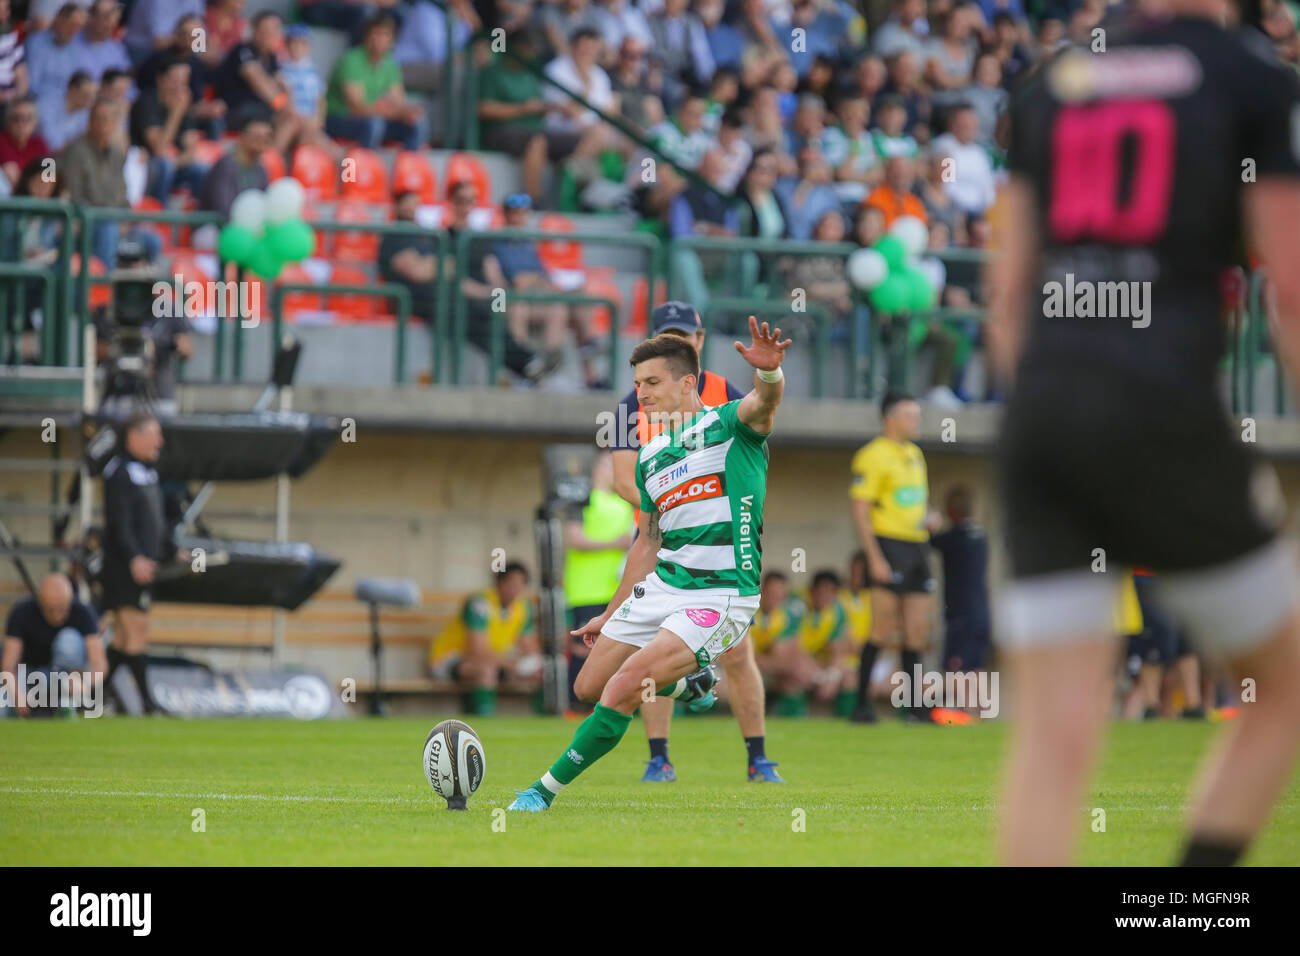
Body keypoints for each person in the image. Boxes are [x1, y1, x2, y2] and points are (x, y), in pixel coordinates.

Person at [986, 0, 1300, 866]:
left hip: (1045, 408)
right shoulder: (1251, 78)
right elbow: (1292, 290)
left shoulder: (1052, 80)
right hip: (1165, 403)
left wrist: (1050, 411)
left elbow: (1008, 297)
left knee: (1052, 736)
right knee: (1285, 689)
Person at [508, 317, 791, 811]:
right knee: (586, 686)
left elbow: (764, 405)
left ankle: (541, 792)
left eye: (652, 382)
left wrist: (769, 375)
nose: (641, 393)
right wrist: (611, 612)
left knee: (620, 689)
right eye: (637, 384)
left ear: (687, 382)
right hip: (664, 587)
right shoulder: (652, 455)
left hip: (720, 597)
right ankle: (690, 684)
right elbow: (645, 543)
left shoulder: (729, 426)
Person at [608, 302, 781, 782]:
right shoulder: (631, 404)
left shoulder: (726, 393)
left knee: (738, 652)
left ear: (701, 341)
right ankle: (659, 756)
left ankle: (758, 757)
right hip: (660, 540)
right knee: (653, 649)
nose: (682, 342)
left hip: (721, 542)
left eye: (687, 335)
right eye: (671, 335)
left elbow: (752, 447)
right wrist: (668, 512)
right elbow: (623, 479)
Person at [848, 392, 940, 723]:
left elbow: (916, 501)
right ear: (891, 419)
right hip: (887, 545)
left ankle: (915, 707)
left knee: (917, 631)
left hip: (917, 546)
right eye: (910, 415)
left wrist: (930, 517)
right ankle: (861, 705)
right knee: (882, 628)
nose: (916, 421)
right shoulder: (872, 455)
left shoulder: (916, 454)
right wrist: (874, 558)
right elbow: (860, 510)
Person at [99, 412, 170, 715]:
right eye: (154, 434)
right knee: (136, 631)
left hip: (142, 566)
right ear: (134, 436)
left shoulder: (148, 472)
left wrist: (170, 550)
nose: (160, 441)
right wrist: (134, 558)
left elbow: (154, 524)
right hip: (123, 568)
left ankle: (94, 696)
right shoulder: (119, 472)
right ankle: (147, 704)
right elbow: (120, 523)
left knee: (125, 637)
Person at [562, 451, 635, 710]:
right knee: (583, 647)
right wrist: (614, 544)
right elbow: (574, 538)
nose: (613, 468)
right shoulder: (582, 501)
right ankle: (574, 705)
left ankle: (607, 704)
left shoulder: (626, 504)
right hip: (585, 589)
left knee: (614, 648)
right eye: (608, 463)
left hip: (616, 591)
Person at [428, 562, 540, 715]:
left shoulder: (523, 607)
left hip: (496, 660)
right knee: (486, 671)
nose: (515, 589)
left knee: (541, 672)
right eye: (511, 583)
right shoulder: (479, 604)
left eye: (520, 584)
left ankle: (541, 721)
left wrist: (530, 664)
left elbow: (530, 647)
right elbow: (477, 650)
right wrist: (513, 664)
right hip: (450, 658)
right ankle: (485, 723)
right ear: (499, 582)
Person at [2, 574, 105, 717]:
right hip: (29, 675)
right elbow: (8, 665)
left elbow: (99, 664)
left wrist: (84, 684)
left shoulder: (83, 613)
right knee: (3, 709)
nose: (56, 615)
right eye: (50, 609)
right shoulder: (21, 612)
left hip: (64, 679)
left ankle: (66, 703)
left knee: (69, 639)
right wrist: (16, 694)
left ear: (70, 601)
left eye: (61, 609)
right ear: (40, 601)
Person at [325, 12, 428, 150]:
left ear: (392, 40)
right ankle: (363, 166)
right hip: (338, 118)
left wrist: (408, 111)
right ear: (366, 37)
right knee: (374, 124)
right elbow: (357, 108)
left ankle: (410, 168)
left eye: (385, 35)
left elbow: (398, 101)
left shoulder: (389, 64)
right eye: (376, 34)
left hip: (371, 118)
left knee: (418, 123)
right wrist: (397, 112)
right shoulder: (351, 60)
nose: (380, 39)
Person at [929, 485, 990, 676]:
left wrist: (930, 521)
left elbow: (930, 541)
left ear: (951, 510)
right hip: (982, 615)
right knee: (976, 670)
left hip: (961, 617)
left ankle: (957, 707)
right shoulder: (981, 537)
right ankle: (986, 707)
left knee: (957, 671)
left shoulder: (954, 538)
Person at [197, 116, 270, 218]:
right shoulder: (226, 165)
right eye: (257, 137)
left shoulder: (261, 170)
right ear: (243, 137)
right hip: (214, 225)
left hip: (248, 226)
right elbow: (222, 206)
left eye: (266, 138)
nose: (262, 142)